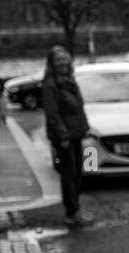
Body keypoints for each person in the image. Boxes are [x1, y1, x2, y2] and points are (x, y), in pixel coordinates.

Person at [41, 45, 93, 226]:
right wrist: (62, 136)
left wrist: (85, 127)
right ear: (51, 64)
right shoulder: (50, 84)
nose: (62, 62)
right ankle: (71, 213)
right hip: (65, 138)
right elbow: (52, 114)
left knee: (78, 173)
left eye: (65, 59)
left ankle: (76, 209)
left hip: (76, 133)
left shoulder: (69, 80)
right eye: (58, 60)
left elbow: (78, 107)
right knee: (69, 175)